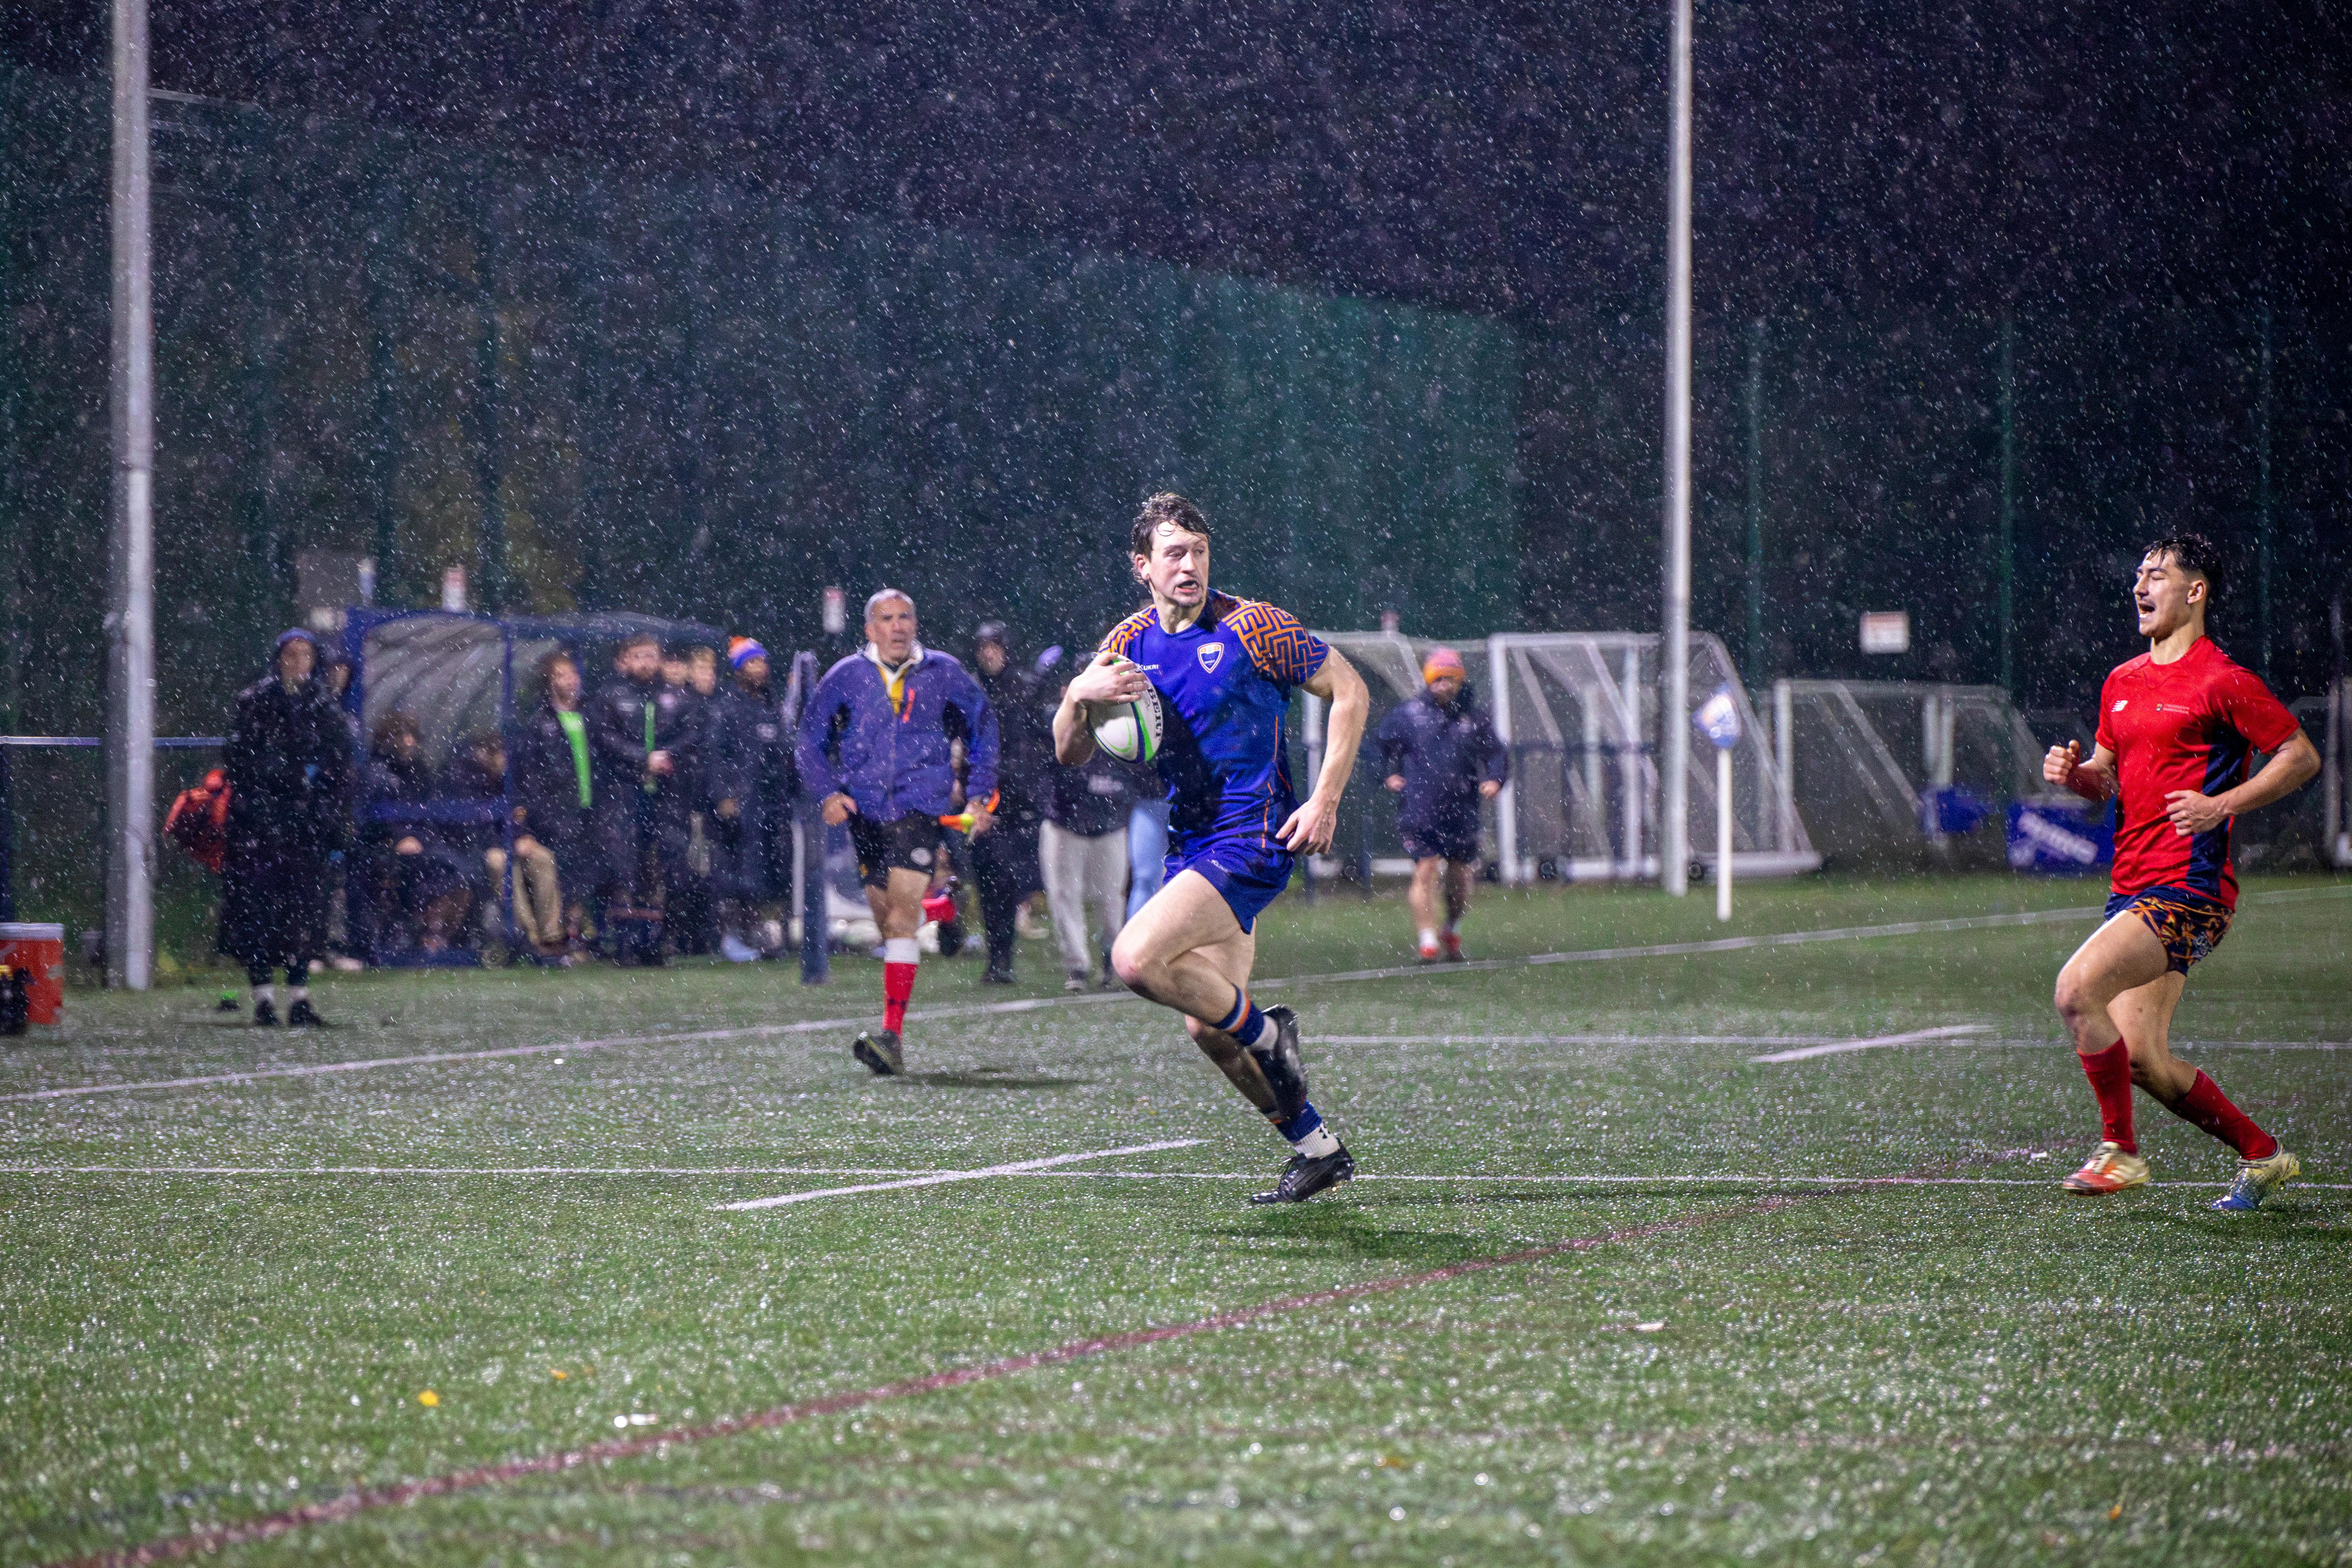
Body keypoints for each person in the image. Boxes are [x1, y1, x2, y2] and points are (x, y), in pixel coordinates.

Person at [1057, 493, 1371, 1204]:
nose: (1189, 565)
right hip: (1190, 842)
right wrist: (1079, 692)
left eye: (1198, 552)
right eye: (1173, 553)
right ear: (1142, 567)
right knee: (1206, 1024)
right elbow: (1068, 751)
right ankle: (1316, 1147)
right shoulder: (1127, 642)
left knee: (1134, 959)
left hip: (1254, 832)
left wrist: (1323, 799)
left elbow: (1348, 691)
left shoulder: (1253, 626)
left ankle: (1269, 1033)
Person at [2043, 533, 2319, 1210]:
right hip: (2130, 887)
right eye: (2137, 574)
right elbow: (2102, 779)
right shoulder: (2121, 681)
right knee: (2141, 1058)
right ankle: (2263, 1156)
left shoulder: (2221, 680)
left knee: (2074, 988)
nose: (2140, 586)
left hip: (2190, 889)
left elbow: (2298, 755)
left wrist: (2220, 804)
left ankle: (2119, 1152)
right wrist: (2072, 777)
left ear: (2194, 592)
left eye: (2157, 575)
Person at [797, 589, 998, 1076]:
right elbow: (809, 740)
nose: (898, 626)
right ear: (869, 629)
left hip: (918, 805)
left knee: (901, 921)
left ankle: (892, 1037)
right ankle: (945, 909)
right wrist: (827, 793)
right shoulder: (845, 676)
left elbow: (983, 727)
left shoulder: (943, 670)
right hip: (865, 813)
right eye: (886, 619)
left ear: (915, 623)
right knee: (890, 921)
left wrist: (979, 793)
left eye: (905, 616)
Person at [220, 629, 350, 1025]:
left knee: (304, 912)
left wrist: (325, 812)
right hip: (261, 825)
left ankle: (299, 997)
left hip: (304, 826)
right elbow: (239, 763)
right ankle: (263, 998)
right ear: (278, 659)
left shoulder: (323, 706)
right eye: (291, 655)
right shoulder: (256, 702)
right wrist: (260, 806)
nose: (297, 663)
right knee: (257, 910)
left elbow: (339, 764)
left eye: (305, 655)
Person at [1377, 646, 1508, 962]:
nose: (1444, 685)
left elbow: (1497, 754)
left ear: (1460, 681)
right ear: (1428, 680)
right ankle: (1427, 941)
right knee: (1425, 869)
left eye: (1451, 679)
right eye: (1438, 679)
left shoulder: (1475, 718)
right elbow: (1379, 746)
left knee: (1460, 873)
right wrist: (1387, 775)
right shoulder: (1408, 715)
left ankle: (1451, 927)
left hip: (1462, 807)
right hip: (1420, 808)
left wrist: (1496, 778)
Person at [587, 633, 702, 963]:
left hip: (665, 797)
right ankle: (625, 944)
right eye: (639, 656)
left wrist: (666, 756)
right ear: (626, 660)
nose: (645, 663)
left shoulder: (676, 697)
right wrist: (641, 758)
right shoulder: (610, 696)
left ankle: (655, 943)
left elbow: (693, 733)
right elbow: (604, 737)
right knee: (625, 867)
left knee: (662, 867)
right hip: (623, 793)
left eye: (651, 656)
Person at [707, 637, 801, 961]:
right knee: (741, 871)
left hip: (773, 802)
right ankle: (734, 937)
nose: (759, 668)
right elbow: (716, 755)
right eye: (751, 662)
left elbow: (784, 753)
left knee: (775, 868)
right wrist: (724, 796)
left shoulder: (772, 706)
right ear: (738, 669)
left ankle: (768, 934)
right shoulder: (726, 706)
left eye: (762, 661)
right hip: (742, 801)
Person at [968, 621, 1048, 982]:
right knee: (987, 881)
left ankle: (1004, 957)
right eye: (983, 647)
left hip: (1020, 802)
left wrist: (1028, 783)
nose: (989, 653)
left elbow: (1043, 743)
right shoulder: (970, 691)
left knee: (1011, 880)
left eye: (995, 646)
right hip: (983, 800)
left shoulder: (1027, 687)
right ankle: (997, 958)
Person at [512, 649, 599, 961]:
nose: (569, 681)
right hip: (557, 812)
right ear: (549, 682)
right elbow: (530, 773)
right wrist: (537, 812)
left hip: (591, 808)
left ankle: (578, 937)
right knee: (563, 873)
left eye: (572, 674)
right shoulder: (540, 722)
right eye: (561, 675)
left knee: (586, 874)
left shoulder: (591, 715)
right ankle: (557, 941)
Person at [362, 713, 475, 954]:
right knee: (425, 873)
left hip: (426, 843)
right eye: (404, 736)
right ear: (389, 739)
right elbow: (376, 815)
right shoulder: (377, 772)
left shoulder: (420, 770)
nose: (410, 742)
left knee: (462, 873)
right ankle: (421, 931)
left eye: (413, 736)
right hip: (389, 847)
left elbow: (431, 811)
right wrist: (398, 837)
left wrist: (423, 836)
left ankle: (439, 934)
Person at [447, 729, 565, 959]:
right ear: (480, 753)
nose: (502, 759)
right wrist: (506, 843)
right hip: (477, 849)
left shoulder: (512, 777)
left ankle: (551, 936)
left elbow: (522, 812)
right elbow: (472, 824)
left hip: (510, 843)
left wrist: (525, 835)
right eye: (495, 752)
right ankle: (528, 937)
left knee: (543, 857)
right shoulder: (463, 777)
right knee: (500, 863)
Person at [1041, 729, 1136, 991]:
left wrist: (1115, 792)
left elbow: (1132, 775)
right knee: (1064, 896)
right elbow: (1045, 768)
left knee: (1111, 899)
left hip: (1110, 826)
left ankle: (1110, 958)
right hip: (1064, 823)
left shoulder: (1121, 728)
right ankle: (1076, 965)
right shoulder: (1062, 722)